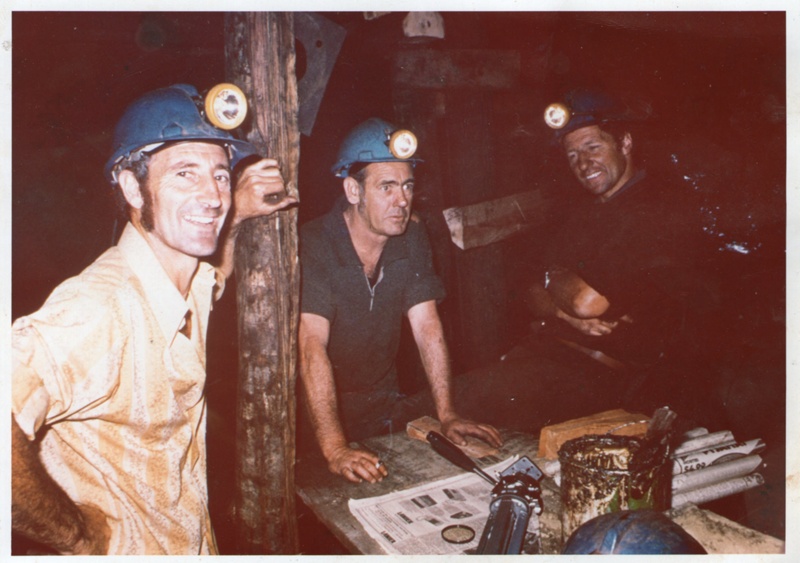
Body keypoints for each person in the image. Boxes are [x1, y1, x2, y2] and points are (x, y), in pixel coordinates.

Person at [11, 83, 296, 555]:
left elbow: (214, 280)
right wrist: (74, 534)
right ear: (132, 188)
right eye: (184, 174)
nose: (213, 196)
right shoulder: (100, 306)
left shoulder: (187, 280)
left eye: (220, 175)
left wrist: (236, 217)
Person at [298, 118, 502, 484]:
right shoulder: (313, 243)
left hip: (381, 405)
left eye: (407, 185)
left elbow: (427, 327)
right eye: (387, 187)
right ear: (353, 190)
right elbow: (311, 345)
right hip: (313, 417)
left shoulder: (410, 237)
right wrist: (334, 448)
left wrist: (447, 414)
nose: (403, 200)